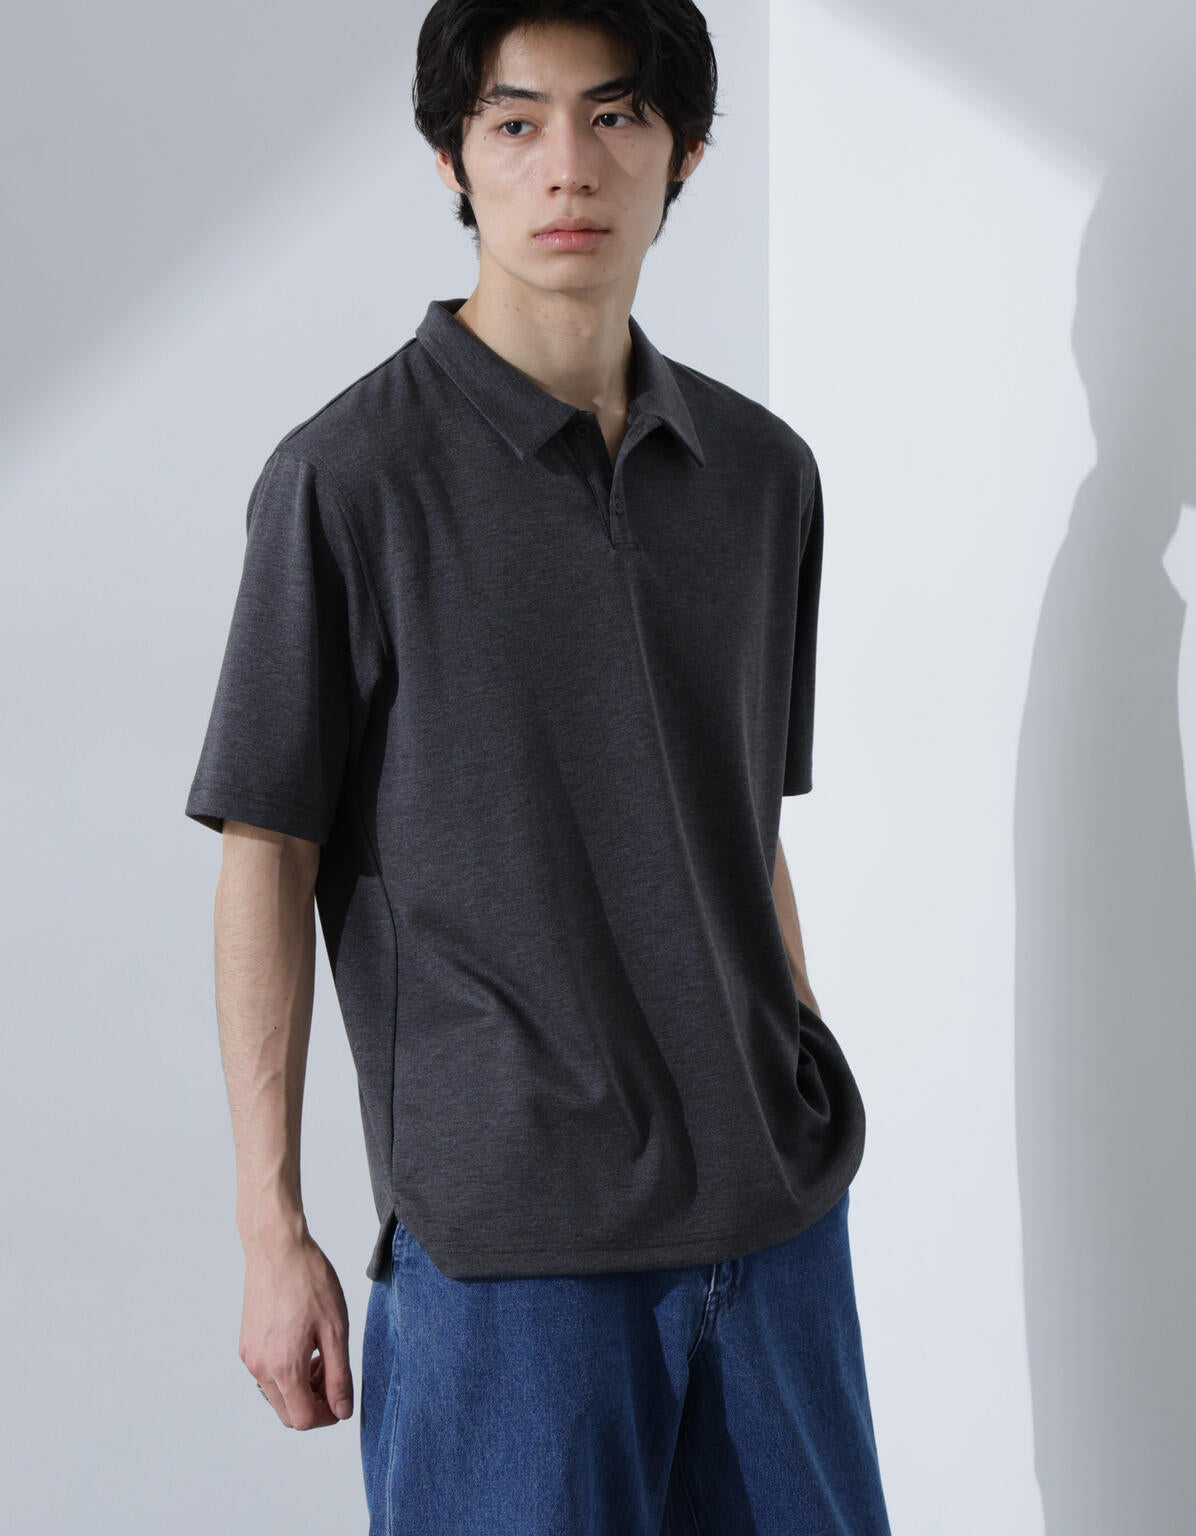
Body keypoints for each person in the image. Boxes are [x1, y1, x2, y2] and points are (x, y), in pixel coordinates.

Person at [183, 2, 893, 1531]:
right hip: (515, 1259)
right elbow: (266, 853)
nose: (568, 165)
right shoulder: (347, 479)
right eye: (516, 123)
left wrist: (794, 1062)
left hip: (774, 1232)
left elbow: (742, 822)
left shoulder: (763, 477)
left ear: (684, 151)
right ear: (452, 157)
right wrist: (270, 1229)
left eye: (616, 115)